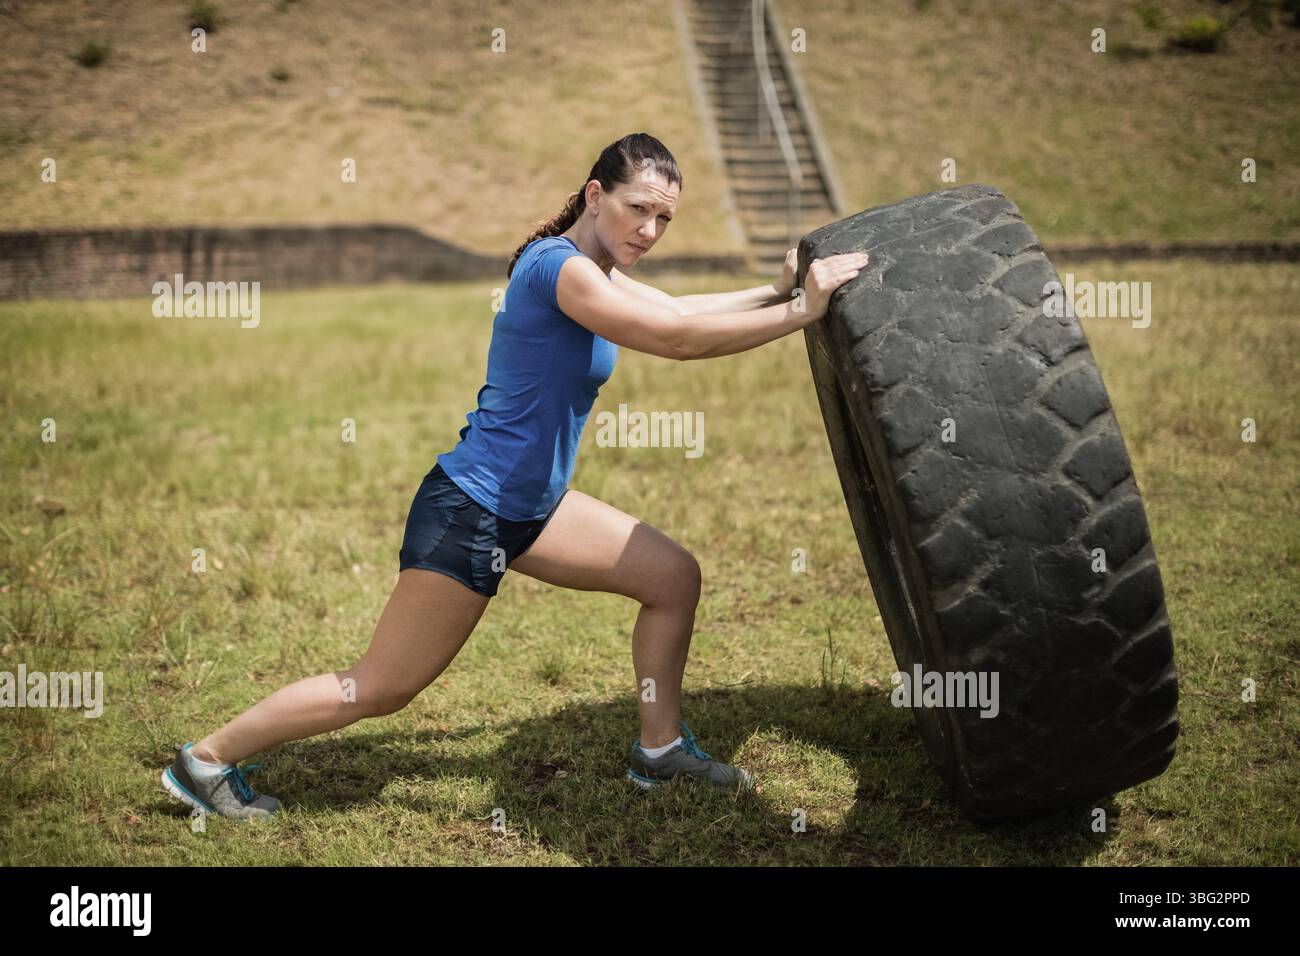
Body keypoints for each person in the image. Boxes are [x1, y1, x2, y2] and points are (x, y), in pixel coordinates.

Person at [161, 132, 869, 819]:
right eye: (638, 209)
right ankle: (208, 760)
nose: (651, 229)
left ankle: (659, 751)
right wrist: (802, 311)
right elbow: (675, 340)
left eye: (664, 218)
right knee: (378, 688)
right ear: (597, 195)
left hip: (535, 510)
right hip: (473, 510)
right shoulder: (556, 269)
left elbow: (682, 309)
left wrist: (776, 290)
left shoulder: (597, 272)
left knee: (672, 578)